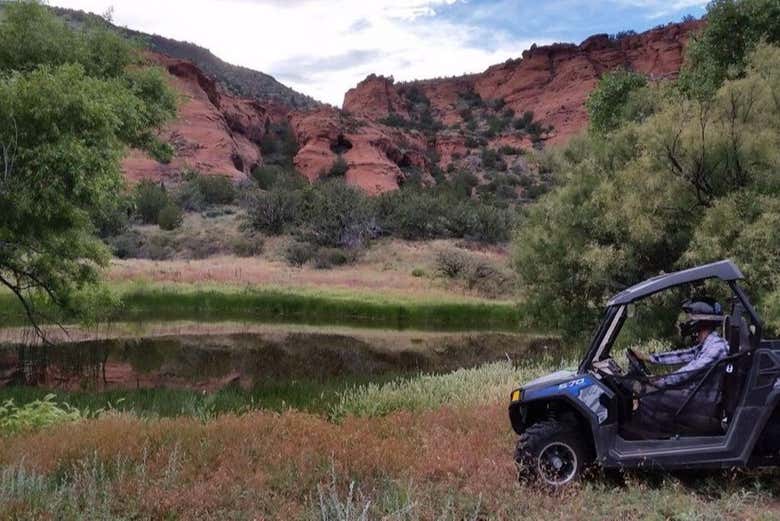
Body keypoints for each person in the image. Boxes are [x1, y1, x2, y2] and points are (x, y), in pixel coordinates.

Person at [621, 299, 730, 438]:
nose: (686, 322)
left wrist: (659, 382)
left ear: (700, 321)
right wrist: (649, 358)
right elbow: (684, 355)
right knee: (650, 391)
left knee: (647, 397)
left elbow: (688, 372)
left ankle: (644, 446)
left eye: (689, 318)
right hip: (697, 396)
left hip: (702, 403)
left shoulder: (716, 347)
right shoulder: (709, 343)